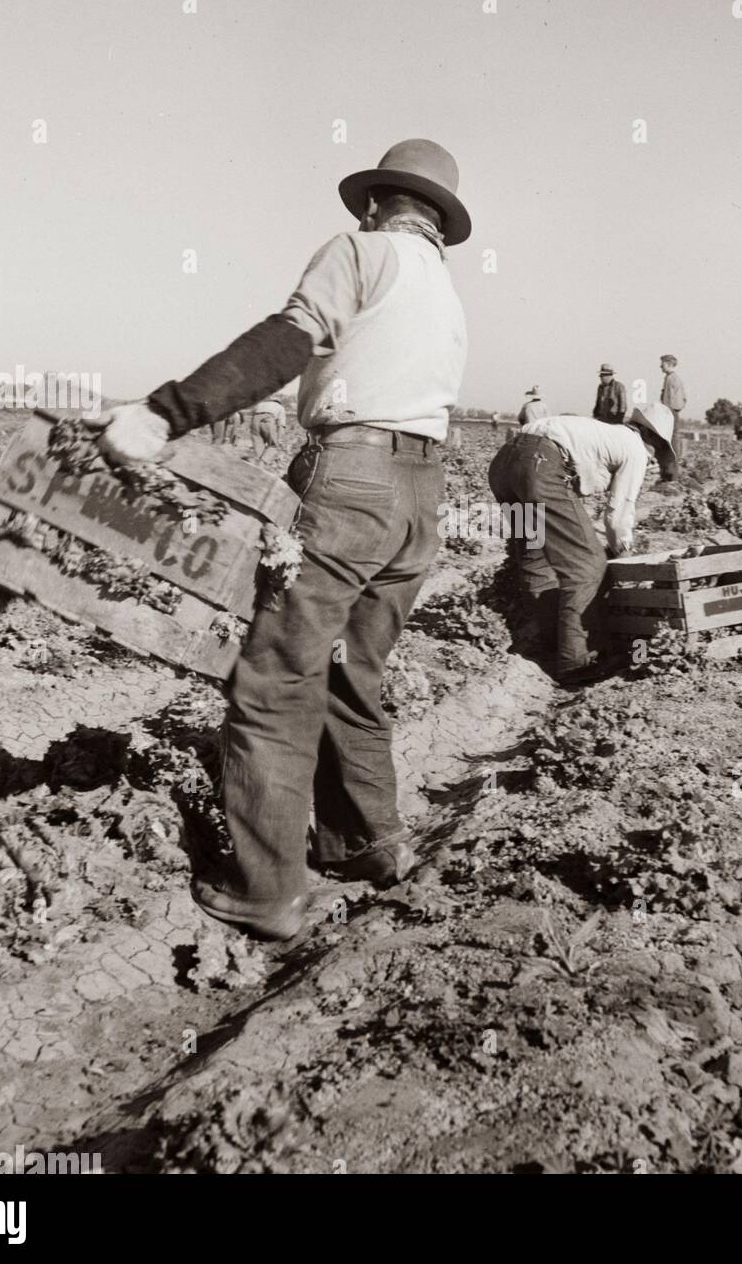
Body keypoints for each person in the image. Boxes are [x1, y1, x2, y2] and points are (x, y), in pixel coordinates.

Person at [90, 139, 470, 941]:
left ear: (375, 203)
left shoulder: (361, 251)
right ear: (439, 217)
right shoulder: (443, 290)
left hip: (353, 478)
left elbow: (287, 339)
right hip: (419, 492)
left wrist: (167, 411)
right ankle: (367, 841)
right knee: (350, 673)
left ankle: (267, 892)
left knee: (274, 678)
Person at [488, 402, 676, 684]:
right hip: (540, 464)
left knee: (536, 556)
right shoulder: (635, 449)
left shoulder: (604, 433)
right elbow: (618, 513)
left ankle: (554, 642)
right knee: (587, 565)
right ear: (656, 441)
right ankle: (580, 661)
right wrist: (622, 551)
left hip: (504, 465)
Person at [658, 355, 685, 478]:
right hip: (671, 412)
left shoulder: (672, 379)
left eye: (662, 364)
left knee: (671, 442)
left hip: (670, 413)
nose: (660, 366)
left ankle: (671, 473)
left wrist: (666, 413)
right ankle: (670, 472)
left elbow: (671, 400)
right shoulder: (673, 378)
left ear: (669, 364)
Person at [249, 393, 287, 461]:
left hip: (254, 420)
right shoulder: (280, 407)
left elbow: (252, 413)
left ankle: (257, 461)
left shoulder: (261, 404)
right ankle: (262, 463)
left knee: (258, 443)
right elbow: (281, 425)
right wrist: (279, 439)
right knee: (273, 445)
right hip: (268, 419)